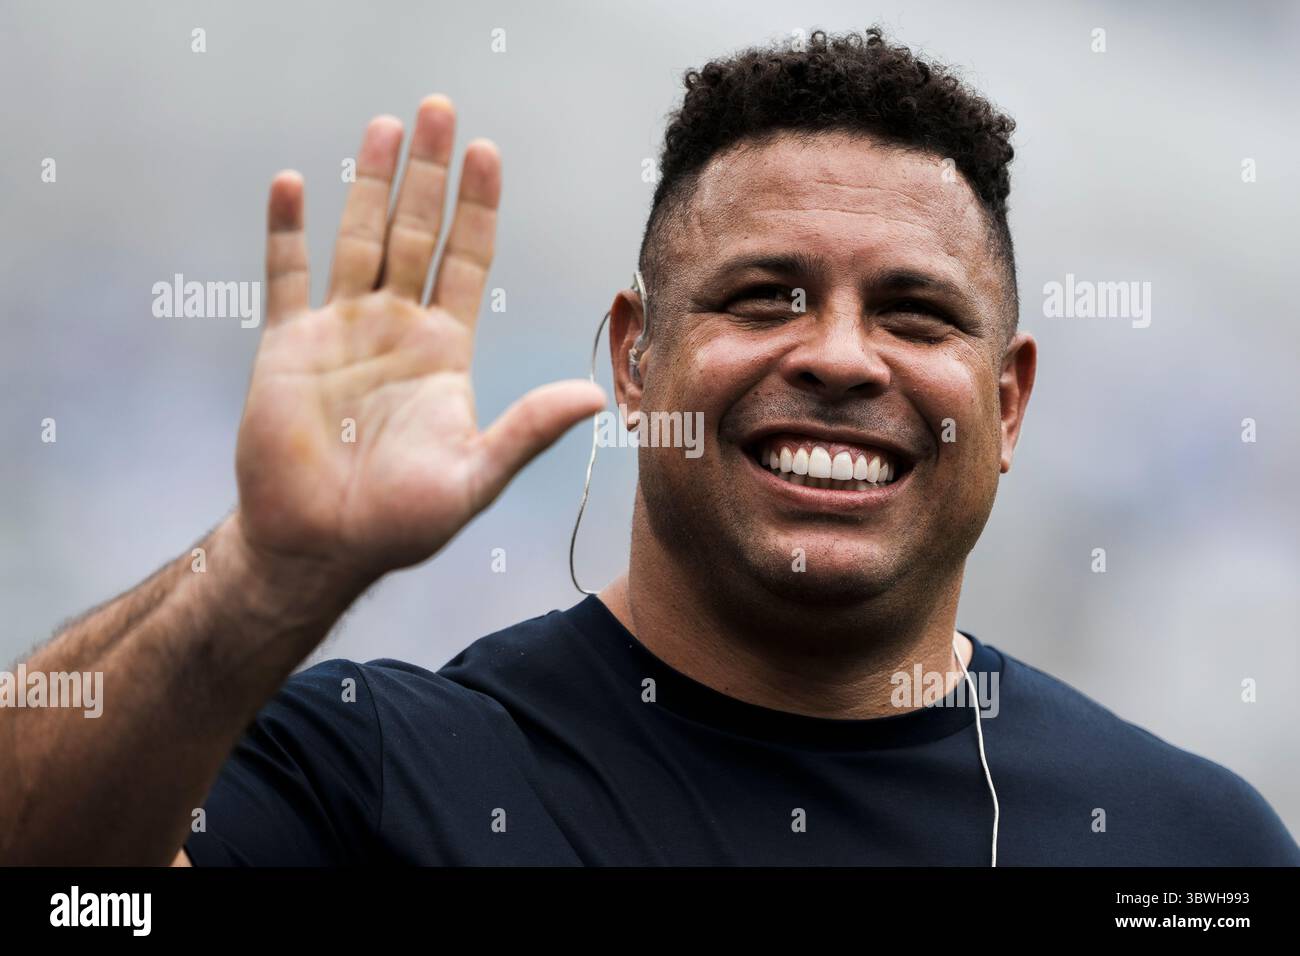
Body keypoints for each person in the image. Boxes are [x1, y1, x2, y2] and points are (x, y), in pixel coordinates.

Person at [2, 28, 1295, 866]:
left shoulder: (1188, 847)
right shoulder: (383, 777)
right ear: (634, 361)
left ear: (1006, 405)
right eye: (763, 296)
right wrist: (263, 575)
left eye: (913, 313)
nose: (842, 358)